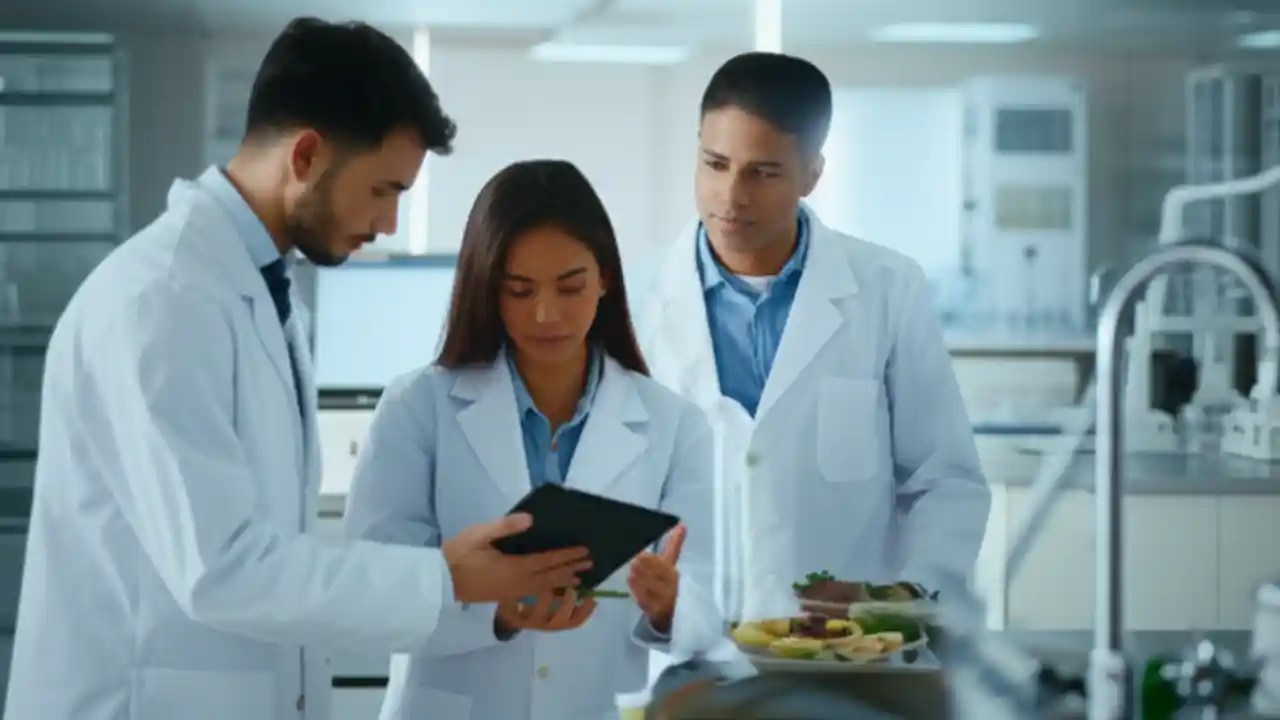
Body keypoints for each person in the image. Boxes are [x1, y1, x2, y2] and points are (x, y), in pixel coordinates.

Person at [5, 18, 592, 720]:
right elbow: (224, 569)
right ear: (308, 154)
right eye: (383, 190)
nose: (389, 224)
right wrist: (444, 575)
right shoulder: (162, 299)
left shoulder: (255, 293)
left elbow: (284, 563)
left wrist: (480, 601)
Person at [343, 159, 722, 720]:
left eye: (570, 287)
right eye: (519, 291)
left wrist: (670, 607)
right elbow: (374, 591)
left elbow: (710, 602)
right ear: (486, 290)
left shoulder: (673, 423)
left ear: (605, 279)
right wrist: (496, 612)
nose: (546, 314)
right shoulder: (417, 408)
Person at [641, 52, 991, 623]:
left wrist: (902, 600)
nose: (731, 196)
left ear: (812, 174)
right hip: (681, 652)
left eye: (763, 172)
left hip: (843, 657)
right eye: (716, 163)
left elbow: (943, 481)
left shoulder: (886, 288)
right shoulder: (632, 298)